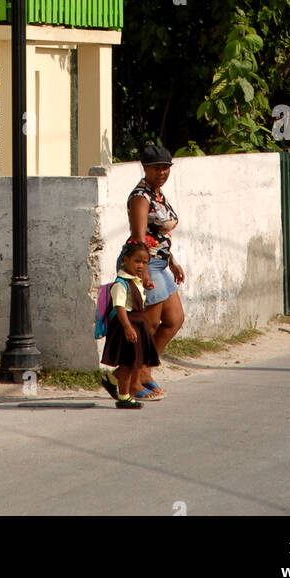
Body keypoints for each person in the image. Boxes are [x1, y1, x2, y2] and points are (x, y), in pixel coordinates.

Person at [126, 143, 185, 398]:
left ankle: (146, 369)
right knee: (147, 326)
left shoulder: (158, 194)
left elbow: (157, 234)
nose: (162, 172)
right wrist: (145, 272)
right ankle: (131, 379)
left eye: (166, 167)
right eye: (156, 167)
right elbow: (139, 237)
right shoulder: (141, 196)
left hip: (160, 263)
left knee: (174, 320)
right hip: (146, 265)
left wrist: (171, 261)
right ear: (145, 168)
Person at [99, 240, 159, 408]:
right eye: (137, 261)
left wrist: (146, 284)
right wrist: (127, 327)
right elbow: (119, 306)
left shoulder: (135, 280)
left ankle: (111, 379)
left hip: (138, 325)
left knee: (135, 360)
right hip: (128, 325)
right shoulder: (121, 283)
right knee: (128, 362)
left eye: (145, 262)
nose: (141, 265)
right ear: (125, 260)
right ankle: (124, 396)